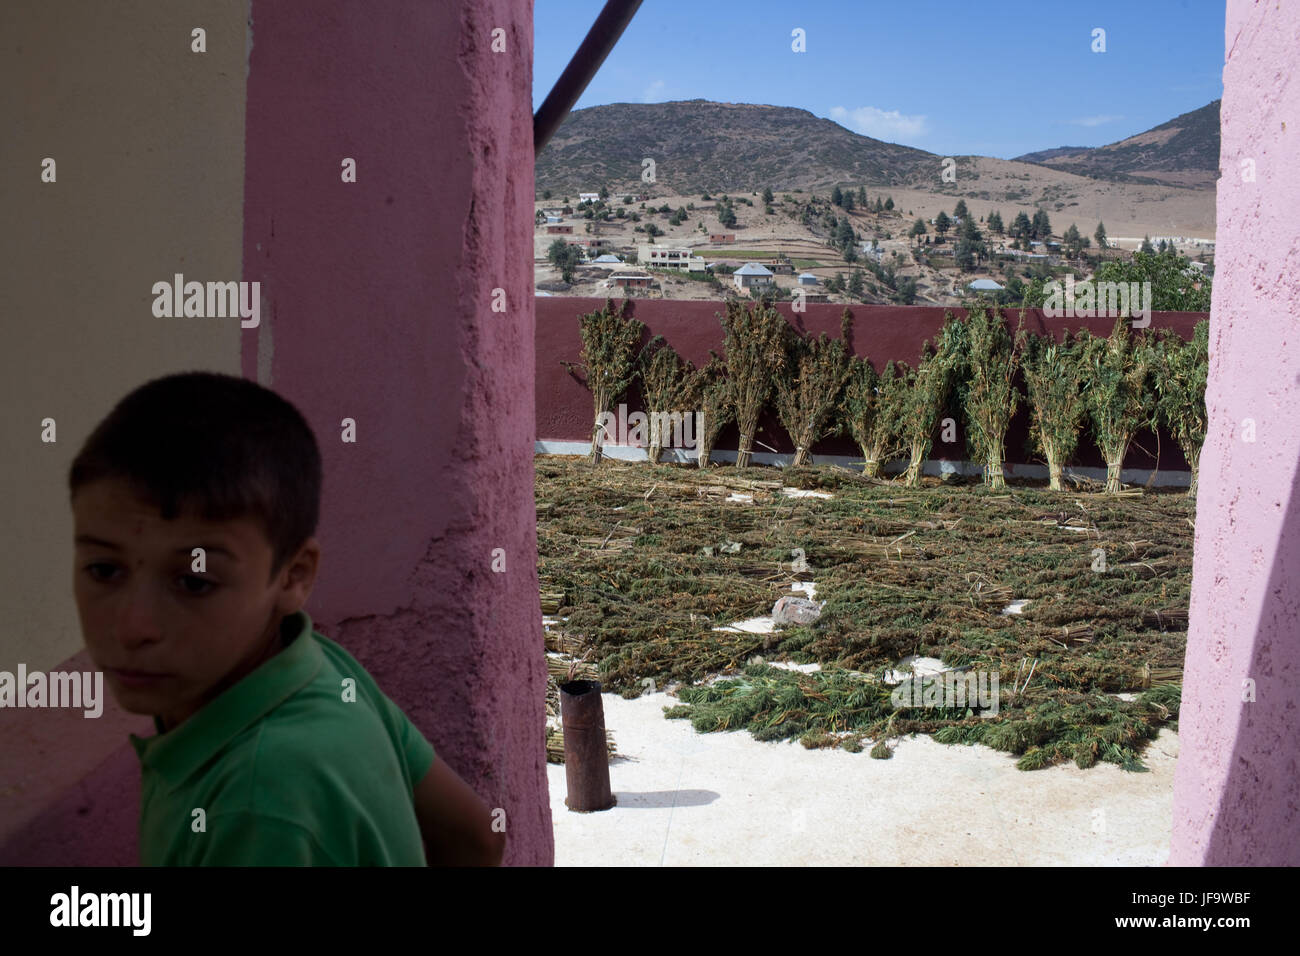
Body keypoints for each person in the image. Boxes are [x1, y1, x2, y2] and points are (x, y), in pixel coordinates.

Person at [68, 371, 504, 866]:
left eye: (193, 582)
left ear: (293, 576)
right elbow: (478, 837)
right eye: (104, 570)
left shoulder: (257, 806)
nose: (133, 627)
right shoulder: (323, 670)